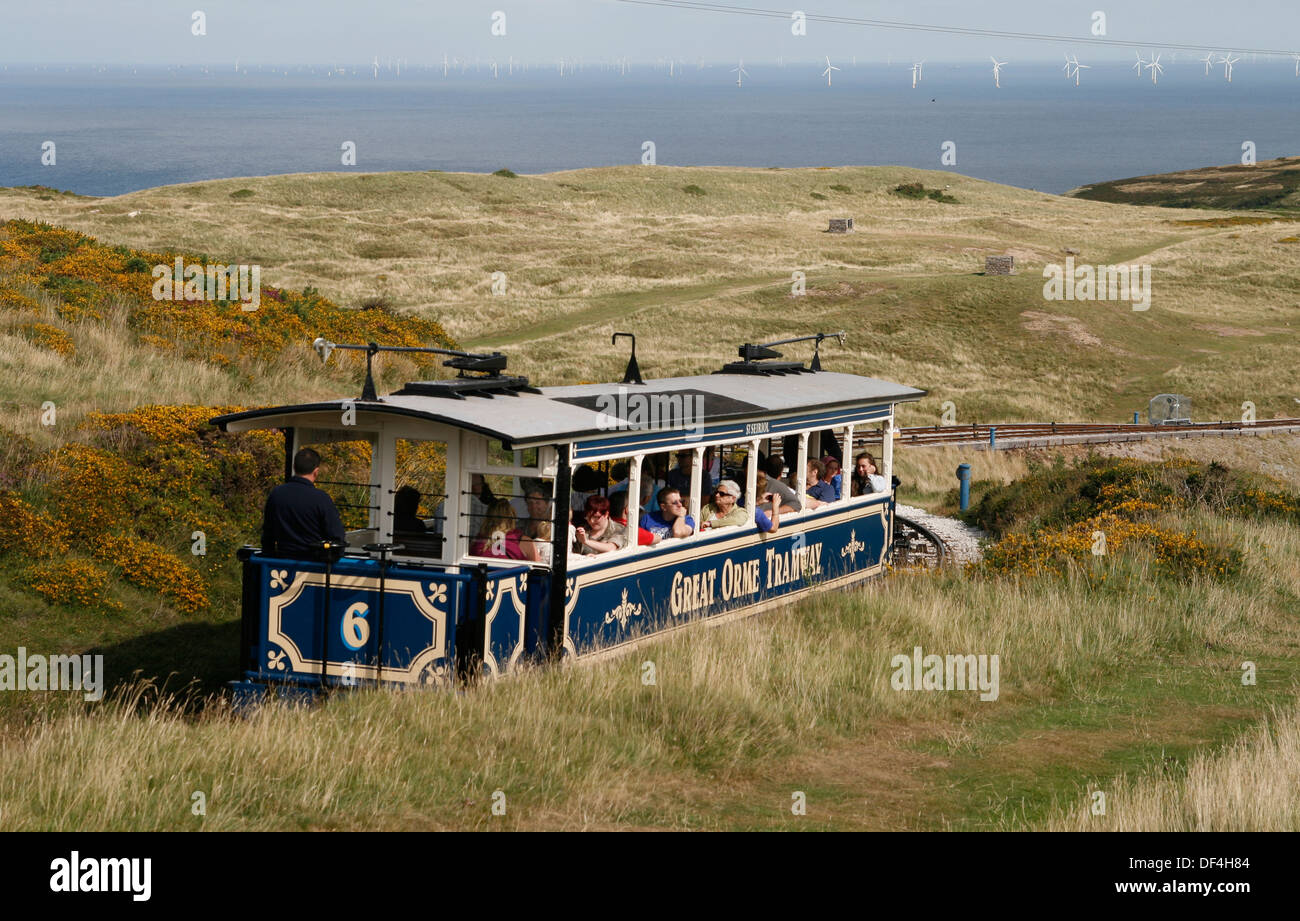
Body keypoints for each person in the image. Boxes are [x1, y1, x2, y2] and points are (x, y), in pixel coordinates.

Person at [261, 447, 347, 560]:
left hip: (282, 564)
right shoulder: (321, 499)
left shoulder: (276, 494)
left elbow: (268, 535)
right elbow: (337, 538)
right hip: (313, 567)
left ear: (294, 467)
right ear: (316, 472)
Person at [700, 479, 778, 533]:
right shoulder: (708, 508)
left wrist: (711, 523)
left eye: (722, 494)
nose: (717, 495)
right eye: (716, 492)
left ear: (733, 499)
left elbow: (737, 520)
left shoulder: (742, 513)